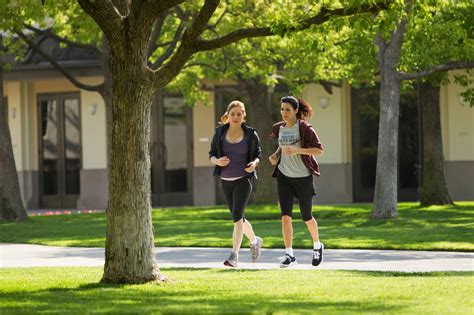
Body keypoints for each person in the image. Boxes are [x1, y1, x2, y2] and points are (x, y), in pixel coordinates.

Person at [269, 96, 324, 268]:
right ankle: (289, 254)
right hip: (284, 176)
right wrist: (275, 156)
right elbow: (281, 146)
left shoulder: (305, 128)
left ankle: (317, 245)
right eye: (282, 109)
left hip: (303, 177)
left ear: (295, 111)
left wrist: (298, 150)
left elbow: (319, 150)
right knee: (285, 217)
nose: (284, 112)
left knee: (306, 216)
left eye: (287, 109)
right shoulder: (279, 128)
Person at [209, 100, 263, 268]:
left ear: (243, 116)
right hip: (226, 181)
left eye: (239, 114)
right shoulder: (219, 133)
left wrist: (254, 164)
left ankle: (234, 255)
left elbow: (258, 155)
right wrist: (217, 161)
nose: (236, 117)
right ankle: (255, 241)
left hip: (243, 179)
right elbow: (211, 154)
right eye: (233, 114)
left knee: (237, 216)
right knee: (238, 218)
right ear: (228, 115)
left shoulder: (250, 134)